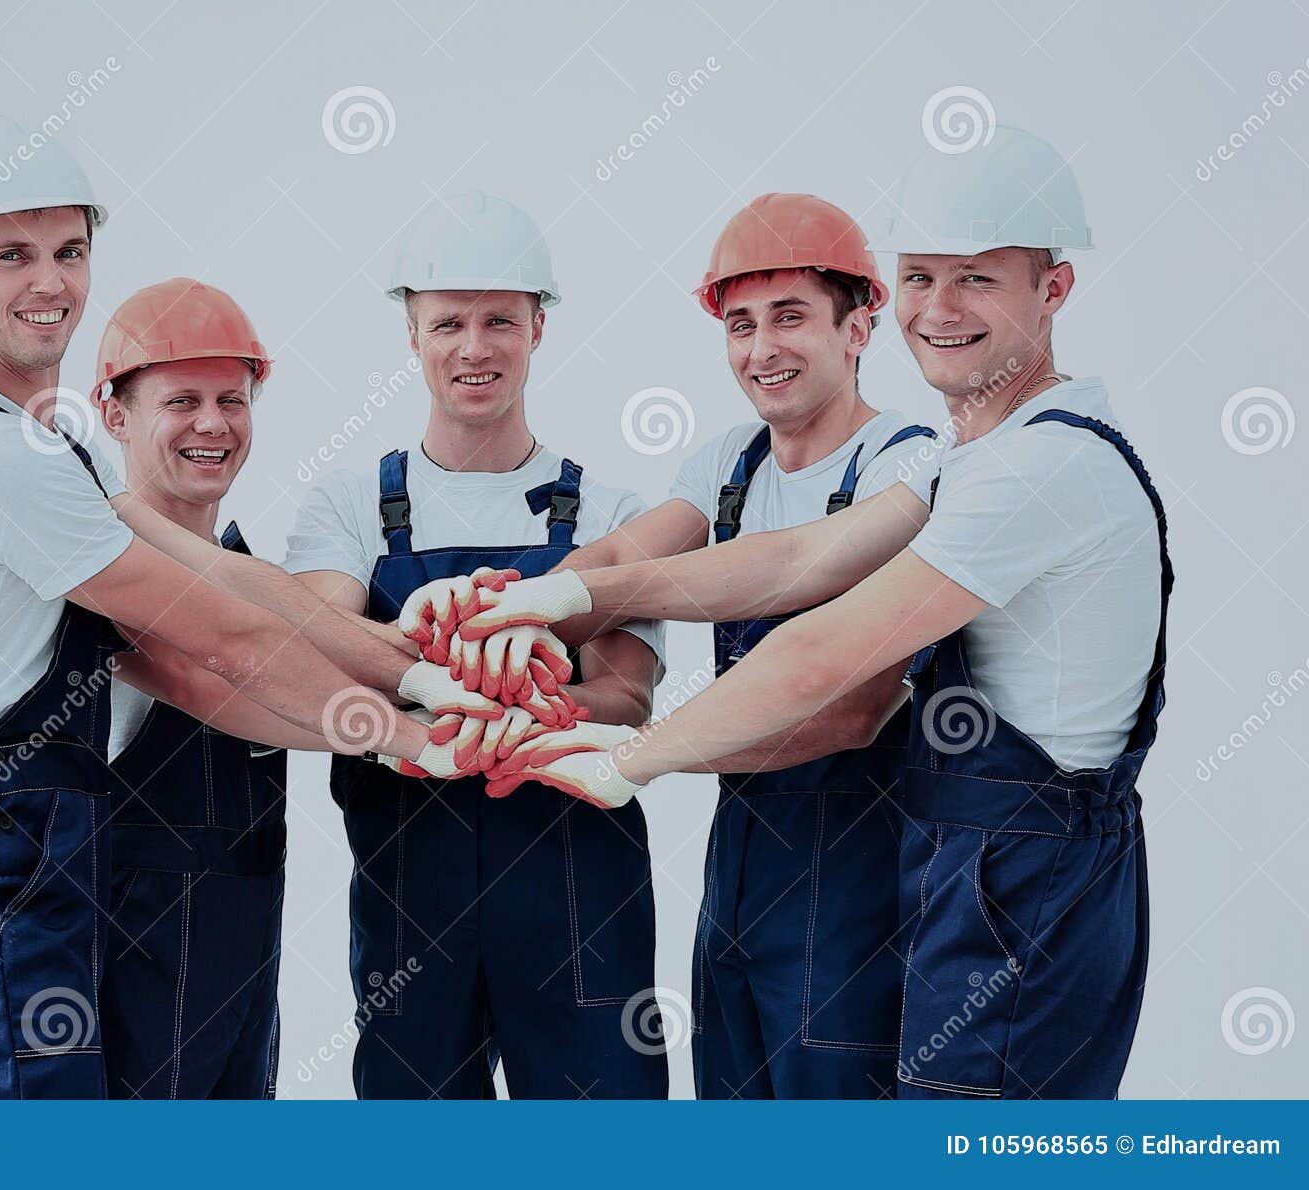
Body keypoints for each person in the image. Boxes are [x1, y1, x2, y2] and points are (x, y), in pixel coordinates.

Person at [442, 127, 1168, 1100]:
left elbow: (832, 659)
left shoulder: (1036, 467)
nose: (939, 309)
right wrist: (564, 593)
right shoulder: (973, 457)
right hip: (926, 867)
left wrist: (631, 756)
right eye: (920, 276)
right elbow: (798, 560)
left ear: (1053, 289)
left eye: (977, 280)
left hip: (1011, 882)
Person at [0, 120, 498, 1099]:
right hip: (2, 861)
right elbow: (221, 643)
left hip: (71, 882)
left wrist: (399, 664)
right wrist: (420, 717)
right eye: (11, 255)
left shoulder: (44, 454)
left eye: (70, 251)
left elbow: (237, 595)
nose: (50, 280)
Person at [476, 194, 937, 1099]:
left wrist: (637, 755)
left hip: (856, 874)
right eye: (741, 324)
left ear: (861, 324)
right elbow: (617, 560)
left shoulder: (905, 466)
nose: (762, 349)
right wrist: (505, 616)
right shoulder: (732, 465)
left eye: (791, 317)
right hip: (740, 866)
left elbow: (851, 707)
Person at [284, 192, 668, 1099]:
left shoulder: (613, 516)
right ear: (410, 334)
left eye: (500, 319)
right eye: (448, 322)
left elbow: (629, 698)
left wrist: (498, 706)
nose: (475, 347)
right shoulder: (347, 508)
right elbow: (322, 653)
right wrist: (466, 661)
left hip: (580, 893)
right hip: (412, 894)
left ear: (539, 325)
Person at [87, 277, 290, 1099]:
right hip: (132, 973)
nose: (214, 424)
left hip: (246, 971)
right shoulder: (95, 578)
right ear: (115, 415)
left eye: (232, 400)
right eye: (182, 400)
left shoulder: (257, 576)